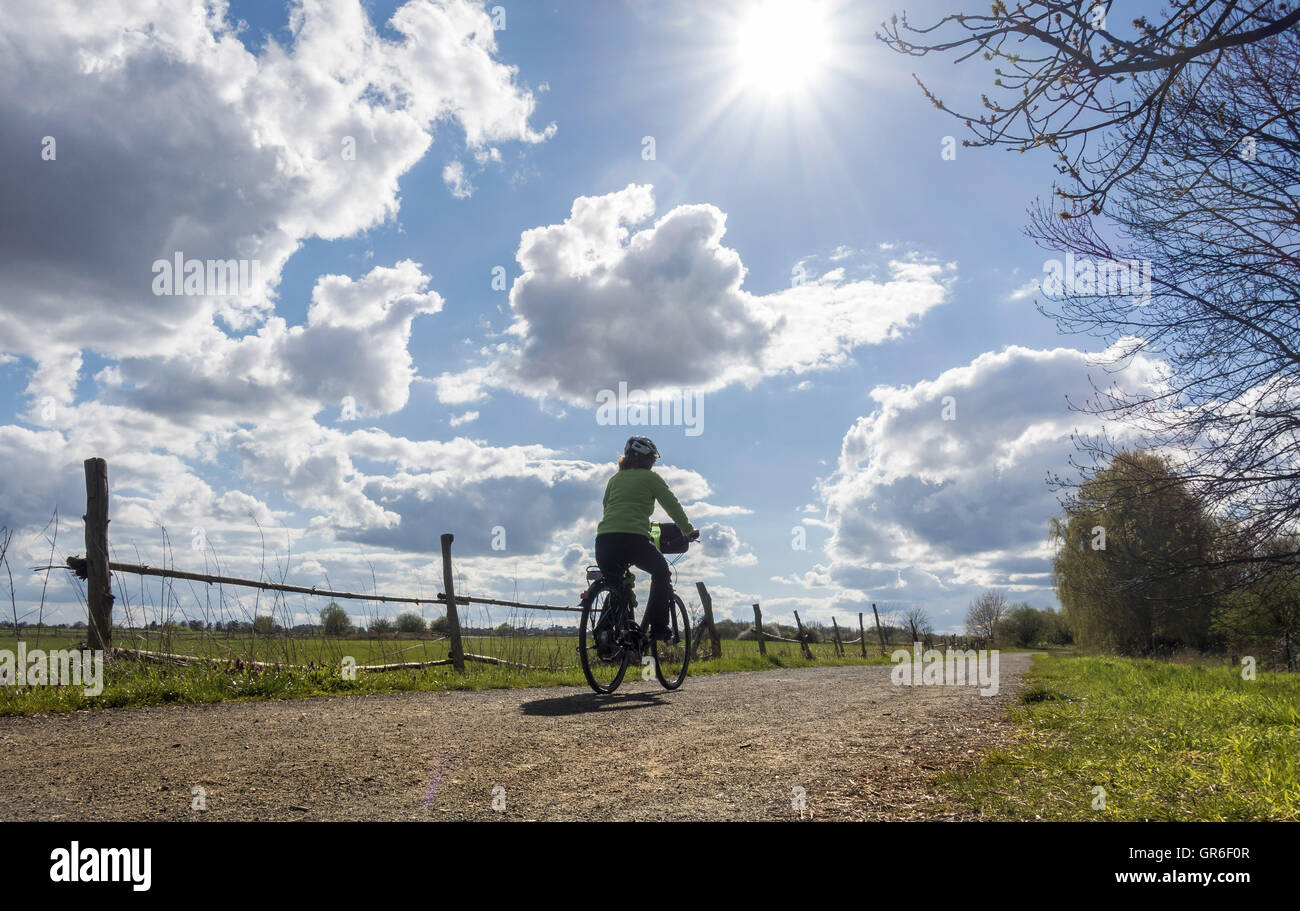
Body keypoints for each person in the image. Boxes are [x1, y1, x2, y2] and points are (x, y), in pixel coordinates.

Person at [594, 436, 699, 641]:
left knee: (616, 586)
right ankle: (659, 628)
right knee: (661, 572)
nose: (653, 462)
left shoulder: (614, 480)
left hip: (604, 541)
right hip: (633, 540)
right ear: (644, 459)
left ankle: (605, 634)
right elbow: (672, 505)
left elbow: (607, 507)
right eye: (652, 458)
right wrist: (687, 530)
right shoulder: (651, 478)